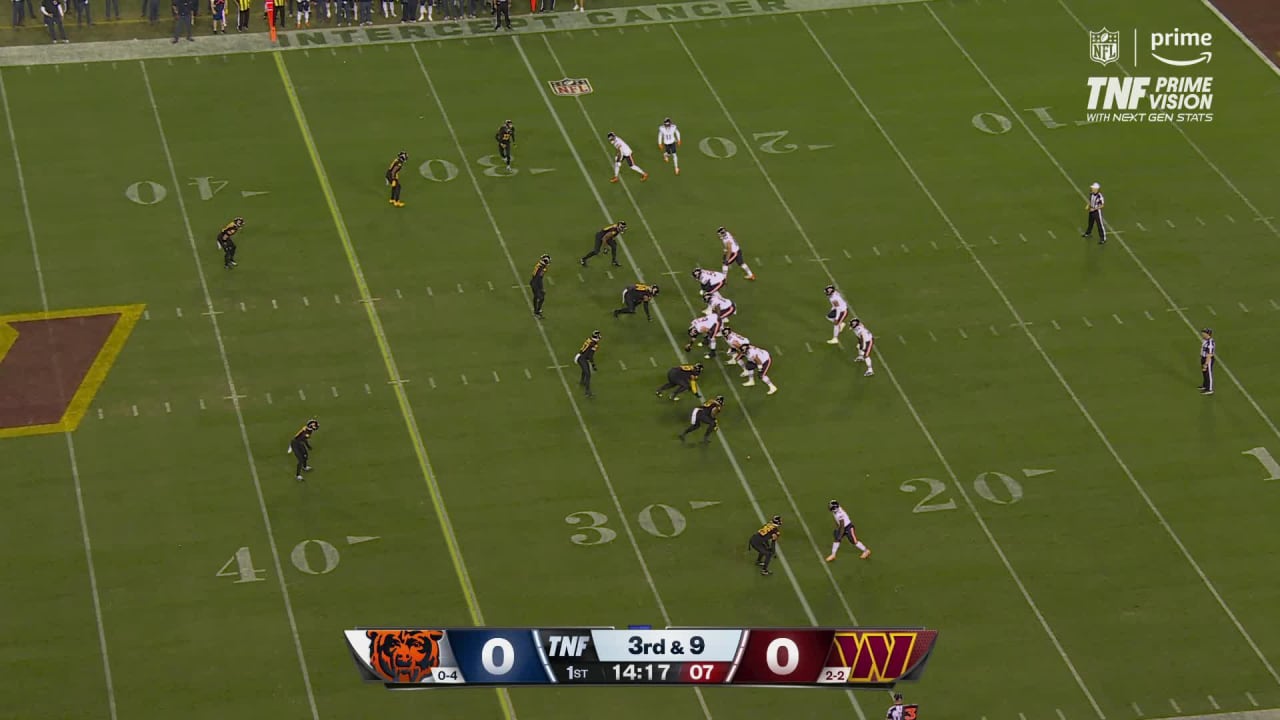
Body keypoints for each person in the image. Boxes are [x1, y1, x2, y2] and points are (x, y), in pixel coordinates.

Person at [575, 330, 601, 399]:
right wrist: (593, 365)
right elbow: (590, 356)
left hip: (579, 355)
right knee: (588, 374)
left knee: (585, 369)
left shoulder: (589, 339)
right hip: (582, 358)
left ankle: (582, 382)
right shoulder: (594, 344)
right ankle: (587, 392)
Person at [530, 254, 550, 319]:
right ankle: (537, 312)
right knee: (541, 297)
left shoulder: (540, 265)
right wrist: (541, 288)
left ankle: (536, 310)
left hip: (534, 282)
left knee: (537, 296)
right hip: (535, 284)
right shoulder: (542, 267)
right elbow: (538, 278)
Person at [1199, 327, 1215, 395]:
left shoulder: (1210, 343)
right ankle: (1205, 385)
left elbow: (1209, 354)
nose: (1202, 333)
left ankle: (1210, 389)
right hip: (1203, 357)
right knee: (1204, 372)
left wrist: (1206, 364)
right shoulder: (1205, 340)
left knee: (1208, 373)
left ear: (1207, 334)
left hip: (1208, 359)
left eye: (1204, 332)